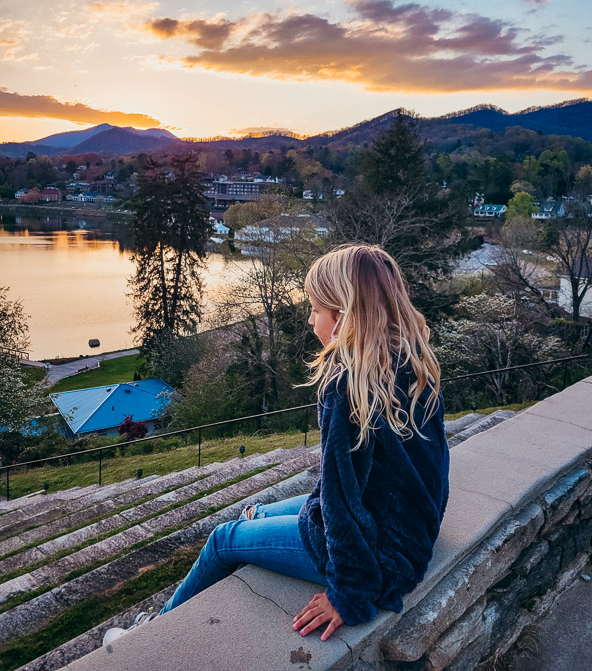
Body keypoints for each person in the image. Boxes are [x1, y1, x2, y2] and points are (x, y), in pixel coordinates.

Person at [103, 243, 449, 646]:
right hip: (410, 532)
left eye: (316, 310)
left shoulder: (346, 384)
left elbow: (340, 500)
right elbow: (435, 470)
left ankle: (146, 635)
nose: (309, 319)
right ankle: (257, 523)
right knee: (259, 513)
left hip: (378, 552)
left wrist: (349, 596)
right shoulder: (412, 360)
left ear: (343, 316)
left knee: (223, 539)